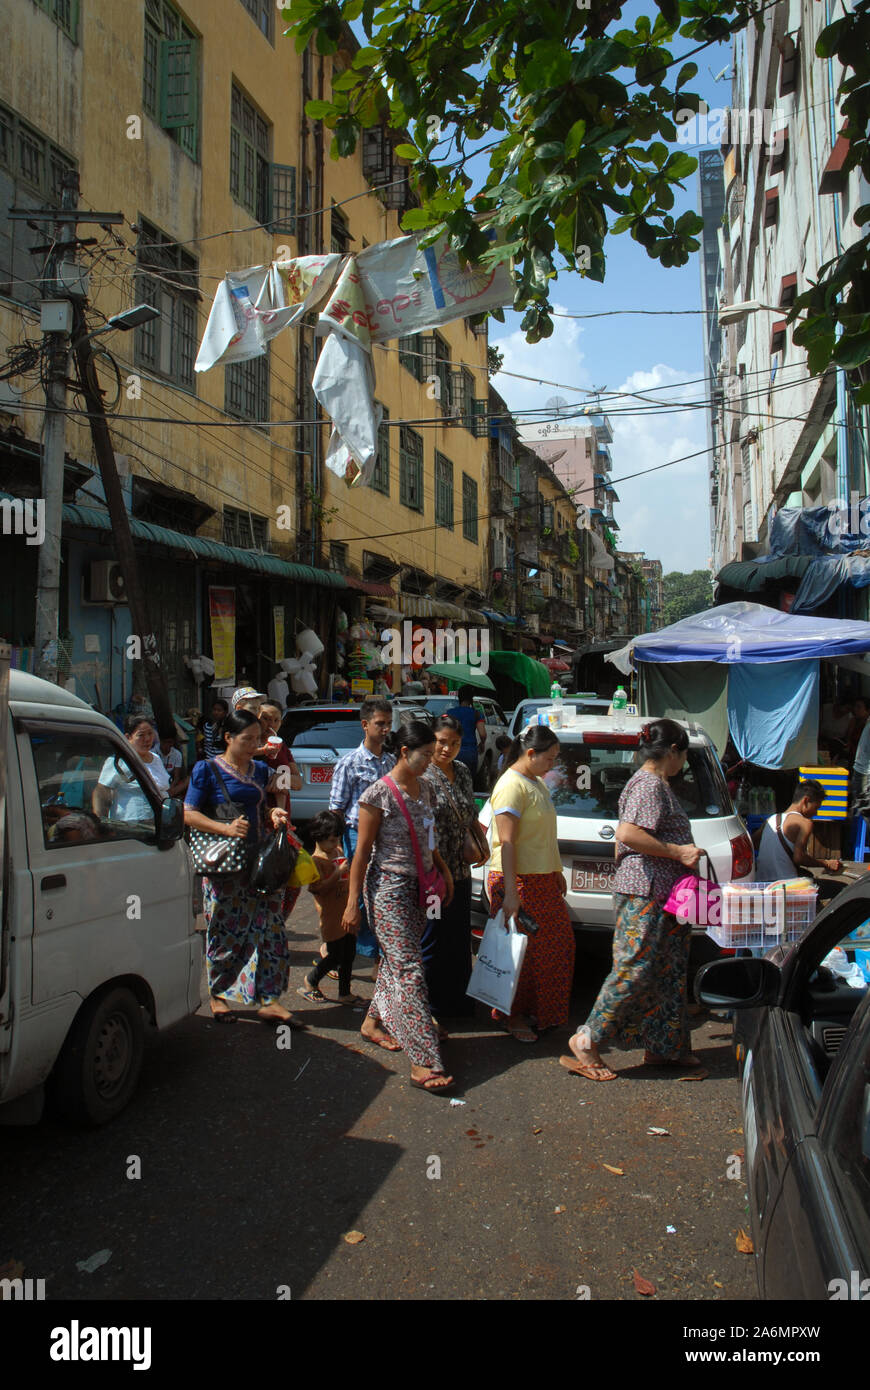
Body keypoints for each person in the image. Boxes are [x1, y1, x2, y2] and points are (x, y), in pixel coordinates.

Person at [566, 718, 703, 1082]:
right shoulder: (648, 785)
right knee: (634, 966)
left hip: (661, 893)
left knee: (667, 970)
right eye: (683, 755)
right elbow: (628, 834)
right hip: (646, 890)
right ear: (672, 751)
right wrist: (679, 852)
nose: (684, 763)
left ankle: (664, 1046)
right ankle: (587, 1038)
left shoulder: (654, 785)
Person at [343, 721, 455, 1091]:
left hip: (422, 888)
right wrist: (352, 903)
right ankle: (424, 1060)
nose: (429, 761)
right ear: (405, 753)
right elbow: (360, 854)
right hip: (387, 890)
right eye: (424, 755)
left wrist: (442, 871)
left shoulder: (427, 788)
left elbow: (429, 837)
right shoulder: (377, 795)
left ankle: (372, 1022)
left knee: (398, 964)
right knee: (409, 969)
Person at [183, 709, 300, 1026]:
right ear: (228, 738)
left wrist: (275, 813)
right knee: (226, 929)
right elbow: (188, 813)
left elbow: (279, 795)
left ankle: (270, 999)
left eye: (257, 739)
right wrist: (224, 829)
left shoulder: (261, 769)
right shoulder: (205, 770)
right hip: (226, 864)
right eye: (246, 739)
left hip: (260, 860)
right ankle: (219, 995)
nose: (253, 744)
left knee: (270, 927)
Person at [486, 724, 574, 1043]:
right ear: (531, 753)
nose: (553, 764)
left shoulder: (535, 782)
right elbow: (506, 843)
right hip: (520, 882)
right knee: (520, 954)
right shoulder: (511, 785)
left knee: (553, 949)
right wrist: (511, 893)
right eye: (550, 758)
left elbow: (542, 837)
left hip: (542, 881)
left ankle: (540, 1012)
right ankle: (512, 1016)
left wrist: (556, 870)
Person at [421, 715, 487, 1018]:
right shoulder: (422, 774)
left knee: (458, 938)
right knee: (432, 937)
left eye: (455, 743)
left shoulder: (461, 771)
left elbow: (467, 808)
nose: (447, 749)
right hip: (433, 873)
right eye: (442, 742)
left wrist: (480, 837)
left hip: (460, 870)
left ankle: (457, 1001)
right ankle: (428, 1007)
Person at [329, 697, 395, 968]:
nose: (385, 729)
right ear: (365, 725)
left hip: (386, 838)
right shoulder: (350, 763)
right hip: (356, 836)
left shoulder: (392, 761)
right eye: (380, 724)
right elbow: (336, 810)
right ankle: (334, 953)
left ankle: (373, 959)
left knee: (379, 895)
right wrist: (335, 848)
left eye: (389, 724)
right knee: (357, 899)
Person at [297, 810, 364, 1007]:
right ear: (319, 837)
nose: (335, 844)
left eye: (337, 840)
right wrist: (337, 873)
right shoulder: (316, 861)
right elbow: (317, 889)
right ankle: (311, 981)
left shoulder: (338, 852)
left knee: (349, 954)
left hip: (346, 912)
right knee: (334, 955)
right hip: (331, 916)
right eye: (331, 840)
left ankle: (345, 992)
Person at [754, 780, 841, 878]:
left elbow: (753, 843)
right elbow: (799, 858)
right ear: (806, 801)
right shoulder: (804, 823)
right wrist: (826, 863)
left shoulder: (770, 819)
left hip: (761, 881)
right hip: (787, 884)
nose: (815, 813)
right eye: (816, 808)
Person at [93, 715, 170, 821]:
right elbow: (101, 790)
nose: (147, 739)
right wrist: (101, 822)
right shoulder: (119, 761)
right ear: (128, 737)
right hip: (132, 824)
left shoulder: (156, 759)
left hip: (158, 820)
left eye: (150, 733)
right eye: (141, 735)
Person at [446, 684, 487, 779]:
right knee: (469, 780)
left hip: (452, 751)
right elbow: (483, 734)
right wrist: (482, 743)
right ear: (471, 698)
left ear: (459, 697)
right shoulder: (476, 713)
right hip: (470, 752)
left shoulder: (450, 713)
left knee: (453, 780)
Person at [159, 733, 188, 799]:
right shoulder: (154, 752)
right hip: (159, 784)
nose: (167, 745)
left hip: (171, 784)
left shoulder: (177, 754)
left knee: (189, 779)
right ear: (161, 741)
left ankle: (169, 794)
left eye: (170, 742)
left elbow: (176, 777)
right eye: (165, 742)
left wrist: (170, 787)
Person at [847, 696, 869, 764]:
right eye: (855, 707)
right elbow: (849, 738)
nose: (855, 709)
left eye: (859, 707)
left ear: (867, 710)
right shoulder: (854, 721)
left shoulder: (868, 725)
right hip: (852, 757)